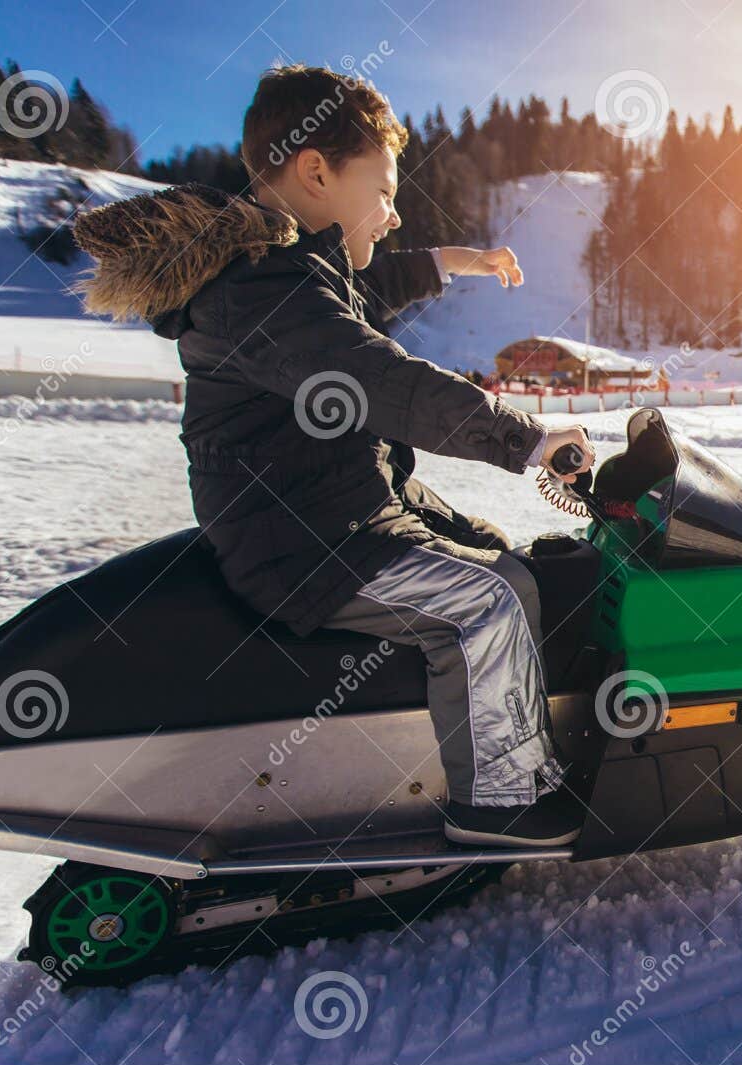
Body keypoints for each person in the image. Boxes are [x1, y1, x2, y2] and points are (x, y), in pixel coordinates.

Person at [69, 64, 595, 847]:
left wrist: (458, 261)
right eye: (382, 191)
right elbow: (378, 375)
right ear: (315, 171)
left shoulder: (283, 272)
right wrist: (525, 438)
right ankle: (502, 802)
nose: (391, 213)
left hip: (339, 513)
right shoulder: (262, 294)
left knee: (506, 556)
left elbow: (367, 289)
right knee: (488, 602)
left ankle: (469, 733)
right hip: (311, 544)